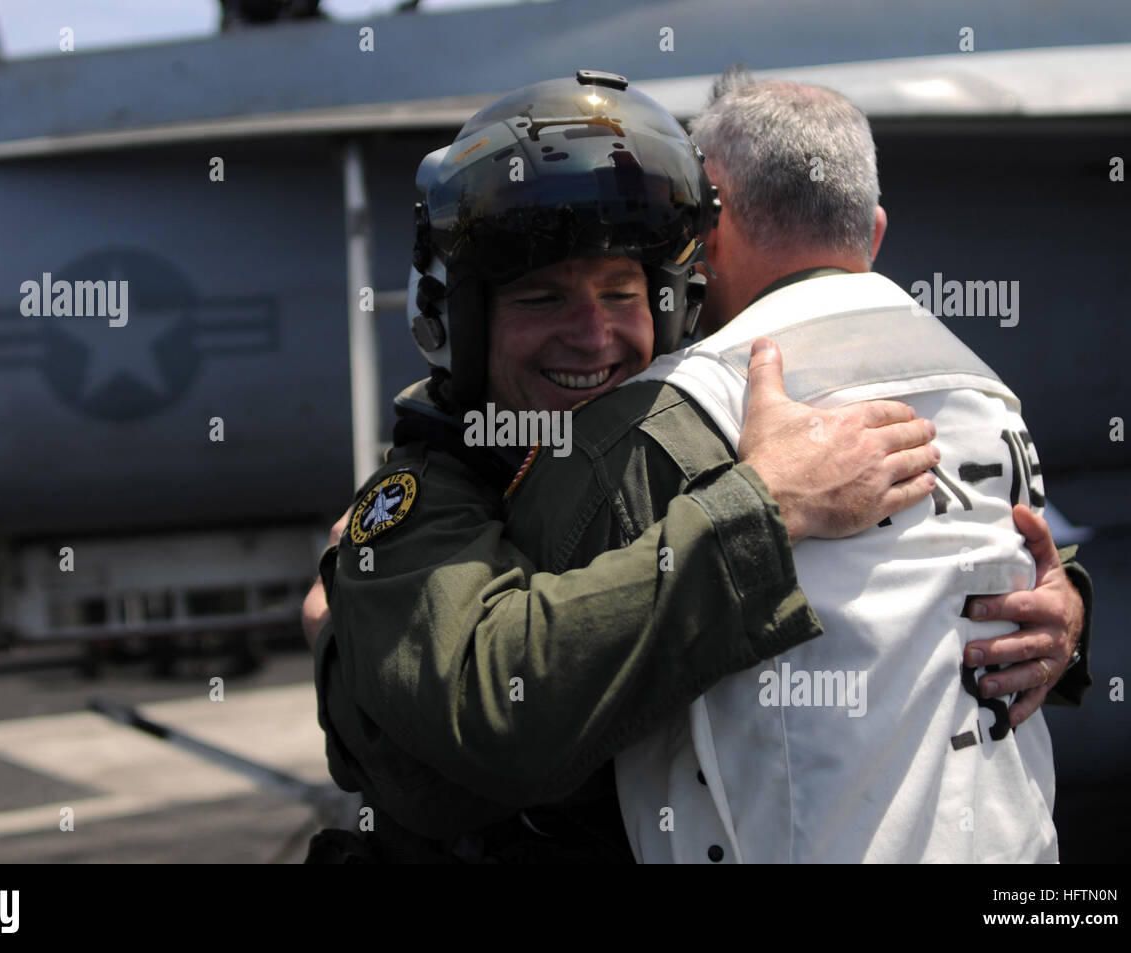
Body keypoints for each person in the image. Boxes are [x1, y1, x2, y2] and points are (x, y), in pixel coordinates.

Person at [303, 71, 1090, 863]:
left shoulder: (702, 430)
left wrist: (1056, 608)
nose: (593, 335)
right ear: (464, 323)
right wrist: (765, 509)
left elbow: (945, 534)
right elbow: (453, 753)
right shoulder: (426, 494)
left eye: (621, 294)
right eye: (540, 300)